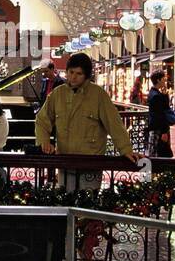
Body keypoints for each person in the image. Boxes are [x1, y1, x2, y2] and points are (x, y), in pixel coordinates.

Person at [35, 52, 137, 193]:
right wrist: (44, 142)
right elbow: (42, 120)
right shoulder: (57, 94)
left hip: (91, 162)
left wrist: (126, 149)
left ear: (86, 75)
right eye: (71, 72)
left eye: (79, 73)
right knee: (66, 203)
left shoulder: (98, 95)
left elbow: (114, 123)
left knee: (87, 206)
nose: (73, 77)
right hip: (65, 160)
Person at [147, 70, 174, 158]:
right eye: (163, 78)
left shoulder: (154, 93)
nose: (165, 80)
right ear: (158, 80)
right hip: (158, 129)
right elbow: (160, 114)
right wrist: (164, 132)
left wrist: (165, 95)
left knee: (156, 152)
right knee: (158, 154)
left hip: (156, 128)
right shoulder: (156, 96)